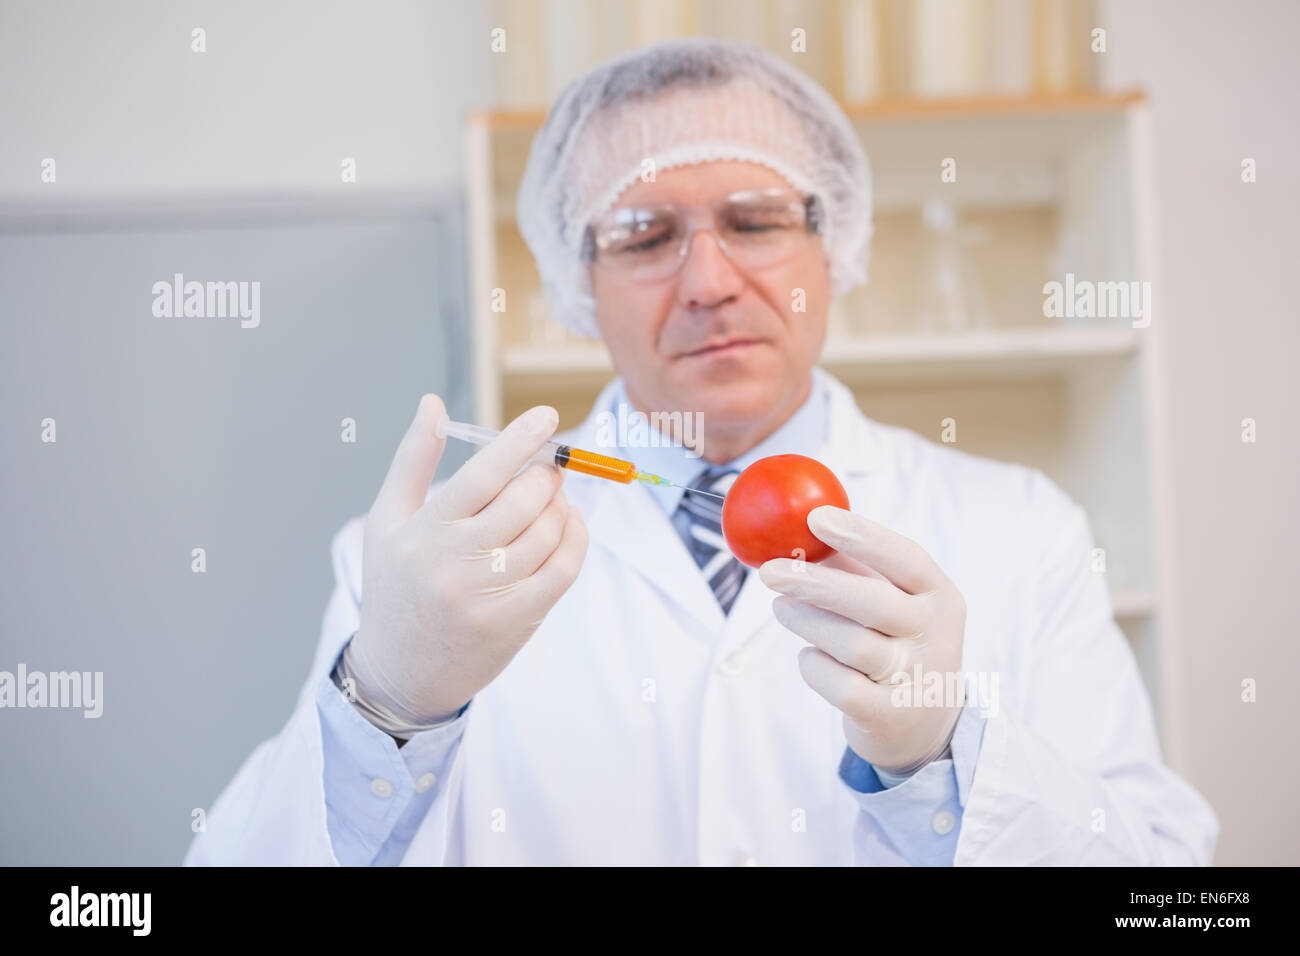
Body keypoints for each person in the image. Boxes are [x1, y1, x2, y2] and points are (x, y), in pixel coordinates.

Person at [185, 37, 1217, 866]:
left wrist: (939, 754)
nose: (710, 280)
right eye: (642, 234)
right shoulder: (431, 560)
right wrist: (386, 703)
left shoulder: (1020, 528)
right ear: (576, 280)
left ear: (833, 244)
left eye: (755, 218)